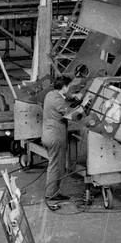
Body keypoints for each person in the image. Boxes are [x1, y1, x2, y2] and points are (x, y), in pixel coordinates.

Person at [41, 75, 75, 208]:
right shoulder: (58, 100)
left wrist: (73, 97)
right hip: (55, 137)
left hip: (48, 135)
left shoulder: (51, 95)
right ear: (65, 87)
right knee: (56, 166)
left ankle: (53, 192)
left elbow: (63, 100)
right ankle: (51, 193)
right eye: (69, 86)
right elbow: (71, 113)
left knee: (55, 164)